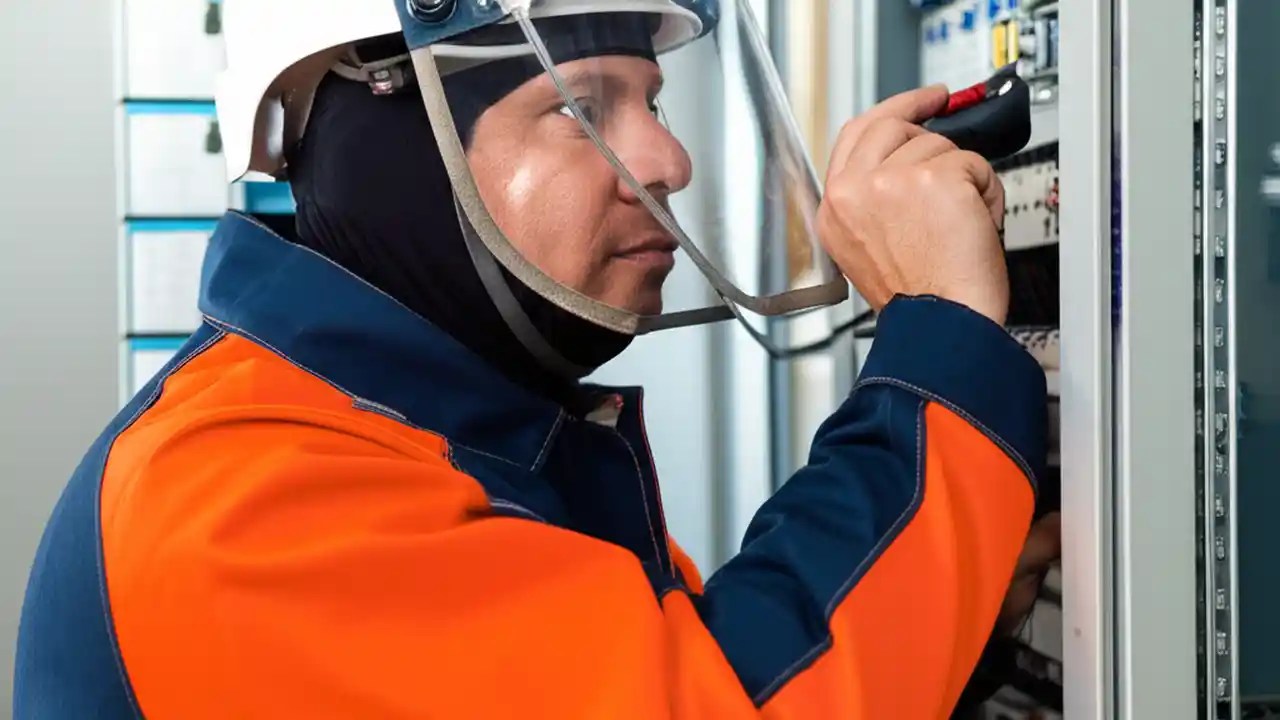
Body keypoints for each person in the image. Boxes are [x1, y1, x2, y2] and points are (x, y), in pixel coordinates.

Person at [15, 1, 1056, 717]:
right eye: (578, 107)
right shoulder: (242, 500)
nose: (665, 160)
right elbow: (725, 699)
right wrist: (940, 336)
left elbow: (674, 663)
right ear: (386, 148)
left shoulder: (456, 437)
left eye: (650, 101)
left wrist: (950, 613)